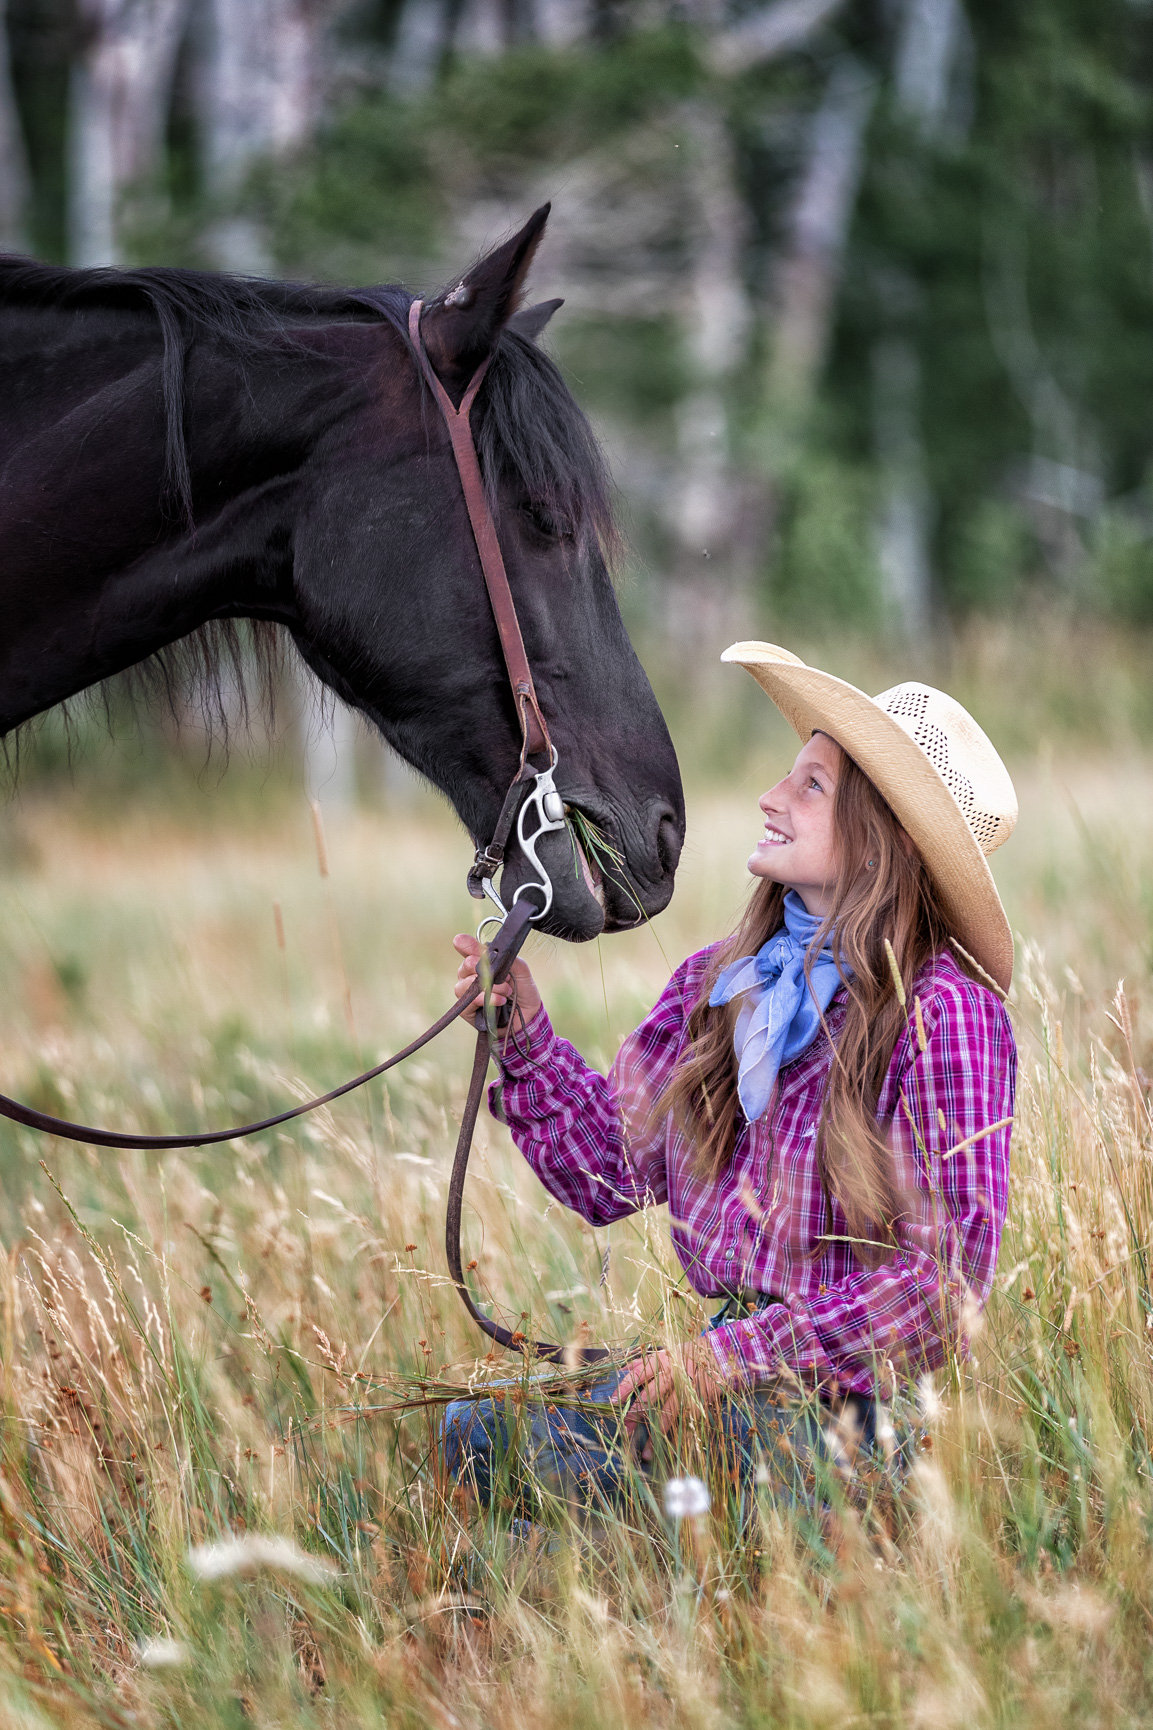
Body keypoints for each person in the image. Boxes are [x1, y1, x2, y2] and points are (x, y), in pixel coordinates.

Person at [442, 643, 1018, 1521]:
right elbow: (608, 1167)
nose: (770, 799)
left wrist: (738, 1357)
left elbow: (943, 1284)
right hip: (721, 1386)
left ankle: (655, 1572)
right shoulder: (726, 983)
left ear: (884, 839)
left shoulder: (944, 1014)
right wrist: (520, 1035)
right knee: (473, 1435)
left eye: (810, 787)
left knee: (590, 1486)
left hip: (851, 1417)